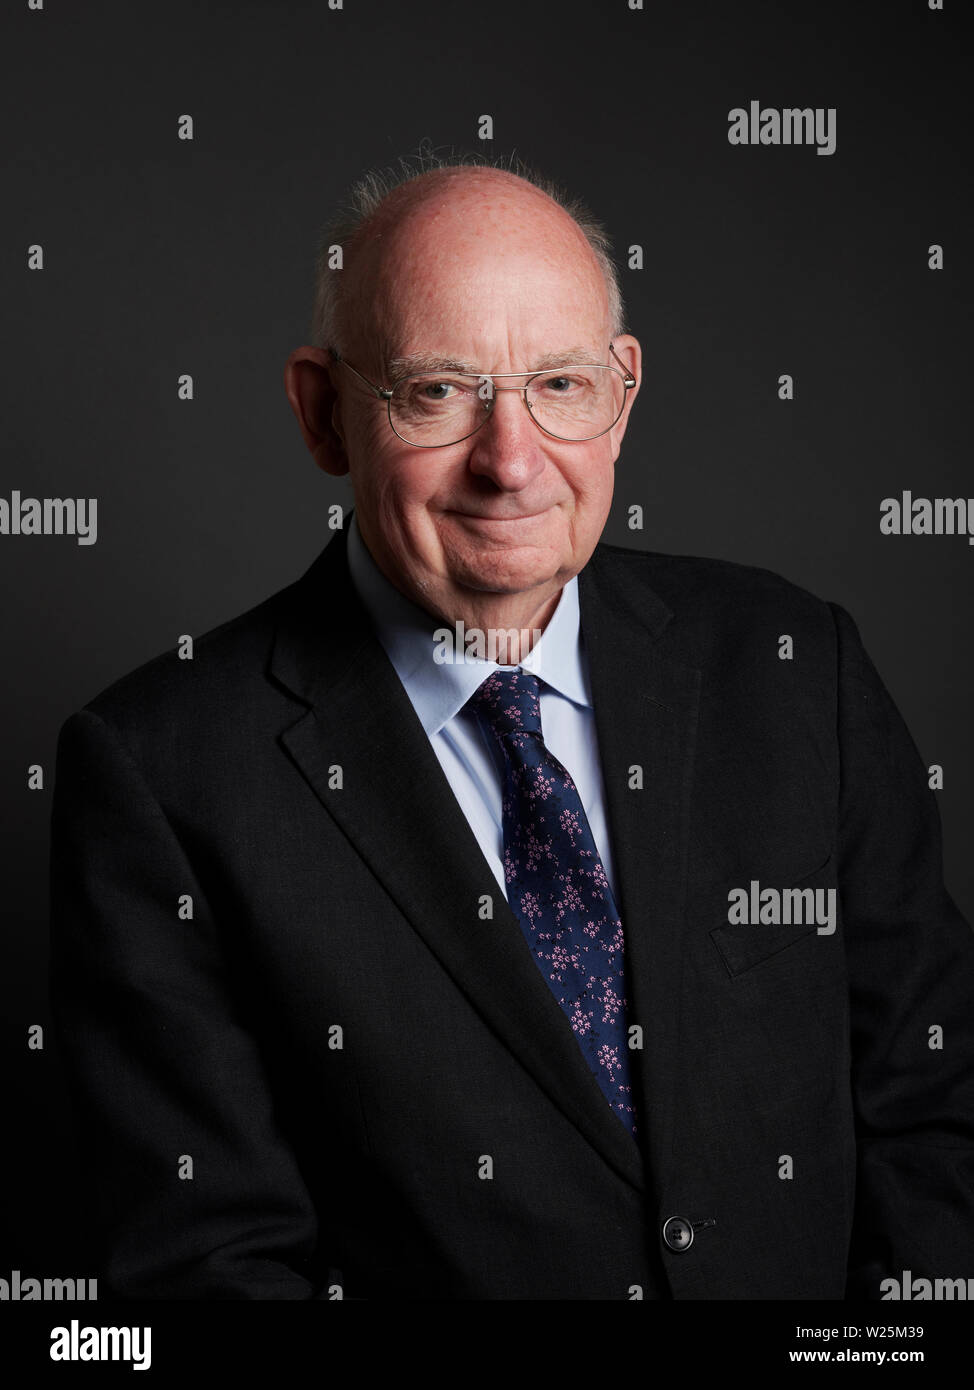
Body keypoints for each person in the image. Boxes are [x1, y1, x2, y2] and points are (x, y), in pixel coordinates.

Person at [49, 153, 974, 1300]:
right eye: (437, 390)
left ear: (621, 394)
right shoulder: (161, 774)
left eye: (558, 384)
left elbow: (934, 1113)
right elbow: (210, 1268)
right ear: (322, 410)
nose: (511, 460)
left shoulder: (793, 670)